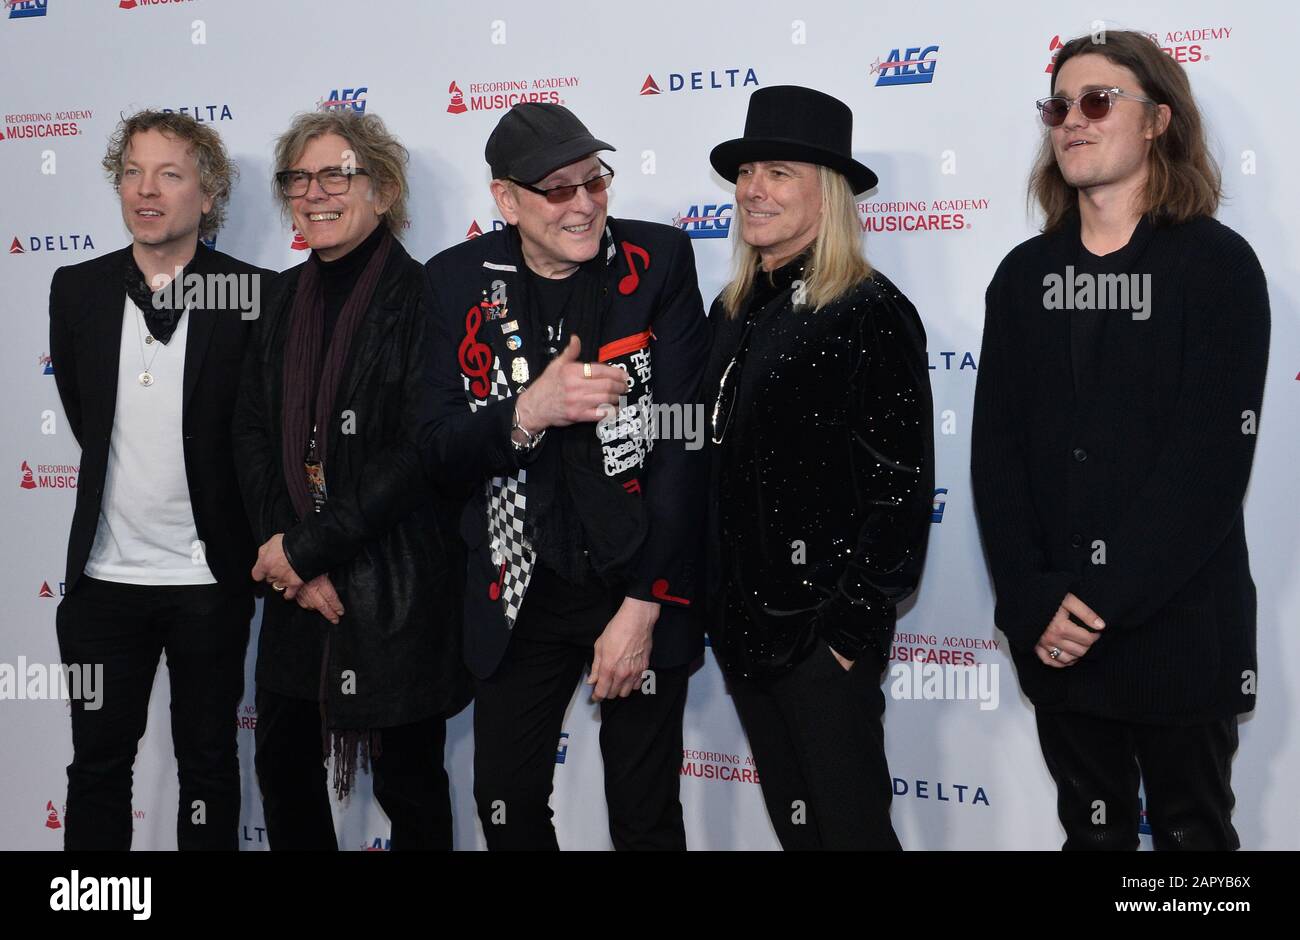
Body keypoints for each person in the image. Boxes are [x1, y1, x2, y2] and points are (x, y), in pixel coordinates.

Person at [971, 30, 1270, 850]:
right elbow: (996, 458)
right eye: (1059, 105)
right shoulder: (1023, 277)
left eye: (1098, 101)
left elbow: (1208, 467)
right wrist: (1035, 602)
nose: (1073, 120)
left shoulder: (1217, 266)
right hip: (1057, 636)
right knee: (1090, 838)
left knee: (1192, 843)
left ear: (1157, 122)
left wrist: (1097, 602)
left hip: (1174, 629)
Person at [423, 103, 709, 850]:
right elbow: (435, 446)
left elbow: (685, 442)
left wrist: (644, 605)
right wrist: (528, 411)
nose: (584, 204)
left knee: (645, 815)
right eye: (557, 189)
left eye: (595, 181)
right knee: (506, 806)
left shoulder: (661, 261)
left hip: (639, 572)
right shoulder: (453, 282)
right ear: (507, 200)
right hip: (521, 588)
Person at [701, 85, 934, 850]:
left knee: (851, 834)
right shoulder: (734, 308)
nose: (752, 190)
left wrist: (846, 632)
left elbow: (899, 493)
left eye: (778, 172)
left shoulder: (869, 310)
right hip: (743, 634)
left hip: (818, 643)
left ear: (826, 193)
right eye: (746, 173)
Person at [233, 110, 469, 850]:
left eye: (337, 173)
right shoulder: (277, 298)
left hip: (393, 583)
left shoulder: (427, 296)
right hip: (295, 588)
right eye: (300, 178)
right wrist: (290, 554)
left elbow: (415, 454)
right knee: (282, 769)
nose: (316, 192)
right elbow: (250, 433)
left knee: (409, 785)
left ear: (384, 188)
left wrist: (312, 549)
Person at [48, 109, 268, 850]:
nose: (146, 190)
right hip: (103, 584)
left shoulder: (253, 295)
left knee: (208, 766)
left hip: (210, 580)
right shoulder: (76, 289)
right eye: (132, 172)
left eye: (169, 174)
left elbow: (255, 440)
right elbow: (88, 417)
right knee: (98, 768)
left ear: (208, 197)